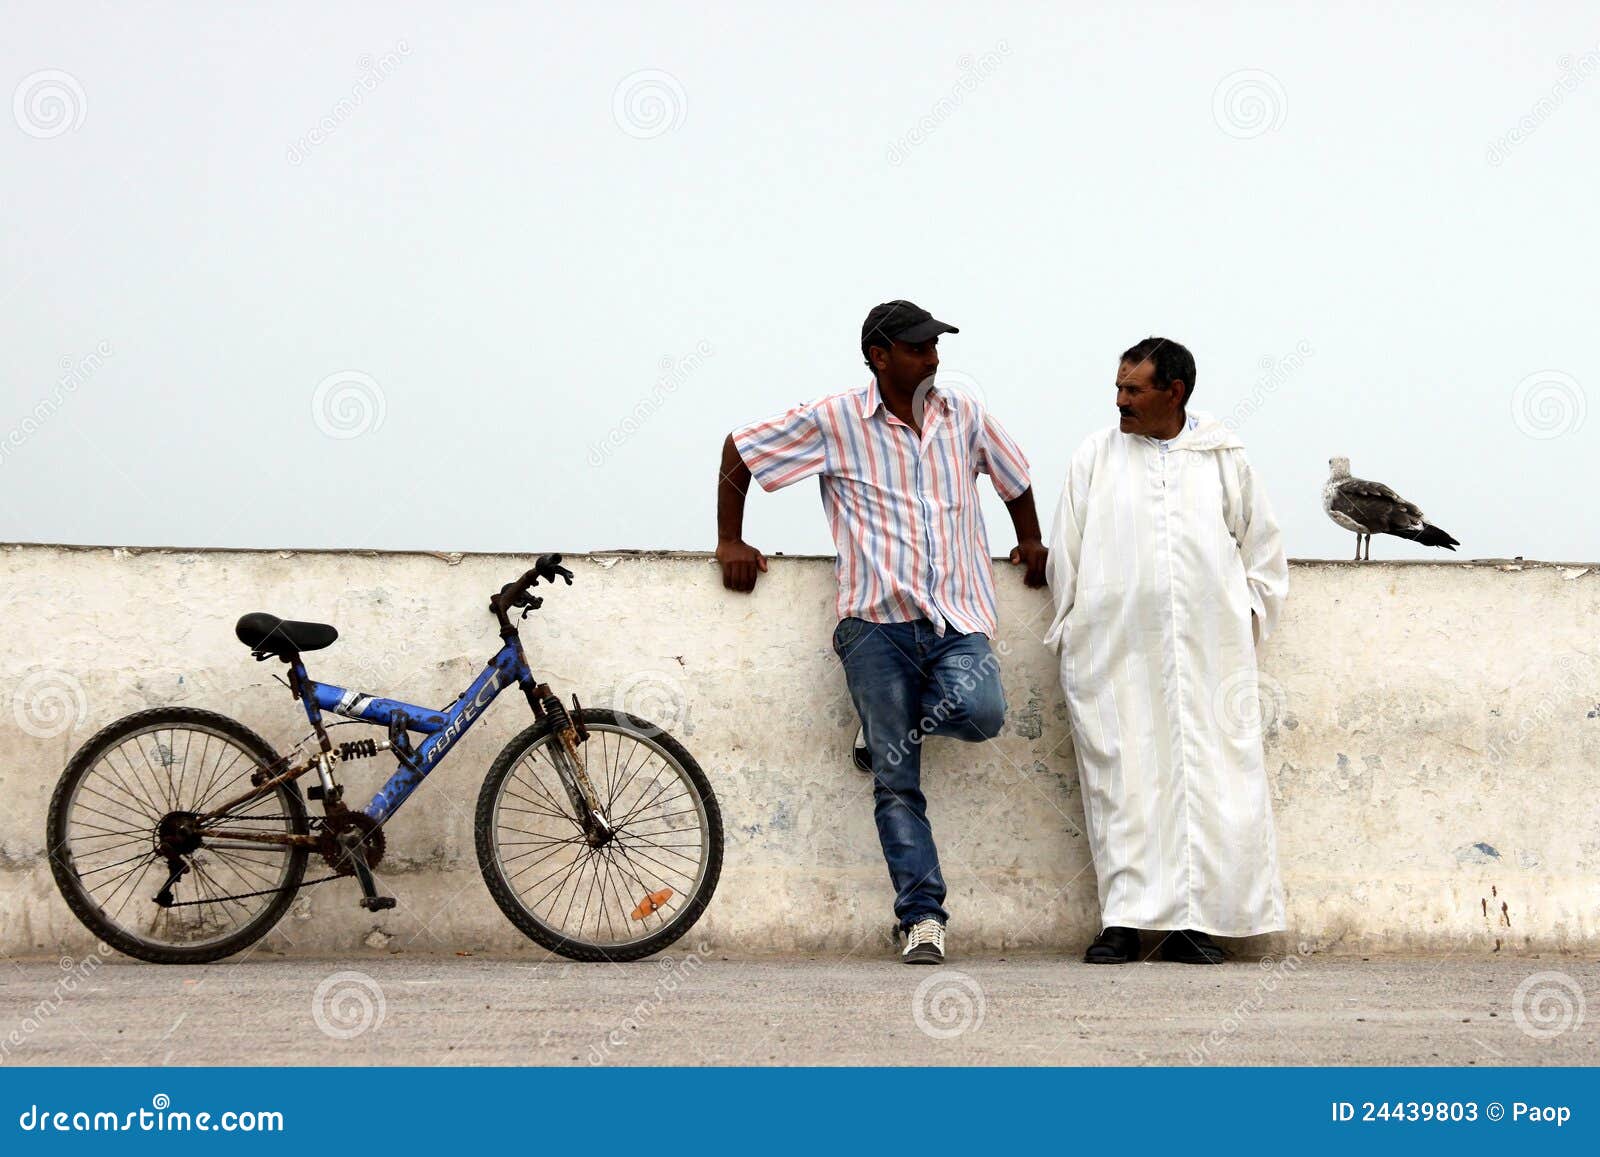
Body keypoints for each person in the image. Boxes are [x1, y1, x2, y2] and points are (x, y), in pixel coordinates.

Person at [715, 300, 1048, 964]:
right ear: (881, 354)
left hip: (957, 617)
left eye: (935, 348)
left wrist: (1032, 540)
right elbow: (740, 450)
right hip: (874, 623)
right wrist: (730, 538)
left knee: (982, 713)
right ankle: (921, 916)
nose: (933, 359)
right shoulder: (835, 419)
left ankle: (882, 728)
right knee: (898, 780)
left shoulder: (963, 415)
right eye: (920, 348)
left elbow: (1015, 478)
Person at [1043, 337, 1288, 965]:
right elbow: (1066, 550)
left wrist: (1243, 621)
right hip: (1113, 650)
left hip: (1210, 656)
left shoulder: (1223, 458)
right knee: (1122, 780)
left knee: (1212, 782)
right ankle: (1124, 922)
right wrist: (1074, 627)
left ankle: (1196, 926)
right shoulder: (1097, 455)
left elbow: (1262, 549)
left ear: (1173, 393)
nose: (1120, 401)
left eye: (1134, 390)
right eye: (1118, 388)